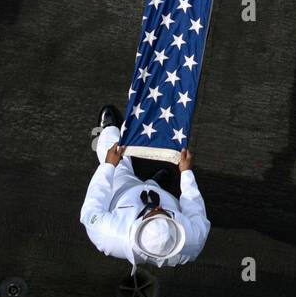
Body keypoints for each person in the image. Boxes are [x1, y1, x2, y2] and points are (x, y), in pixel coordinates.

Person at [80, 105, 210, 270]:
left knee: (117, 161)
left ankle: (108, 131)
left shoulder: (109, 234)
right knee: (163, 190)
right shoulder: (192, 240)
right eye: (165, 213)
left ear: (140, 224)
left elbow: (92, 207)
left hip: (124, 191)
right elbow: (194, 208)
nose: (158, 206)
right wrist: (186, 174)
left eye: (154, 211)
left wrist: (108, 166)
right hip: (164, 195)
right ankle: (155, 184)